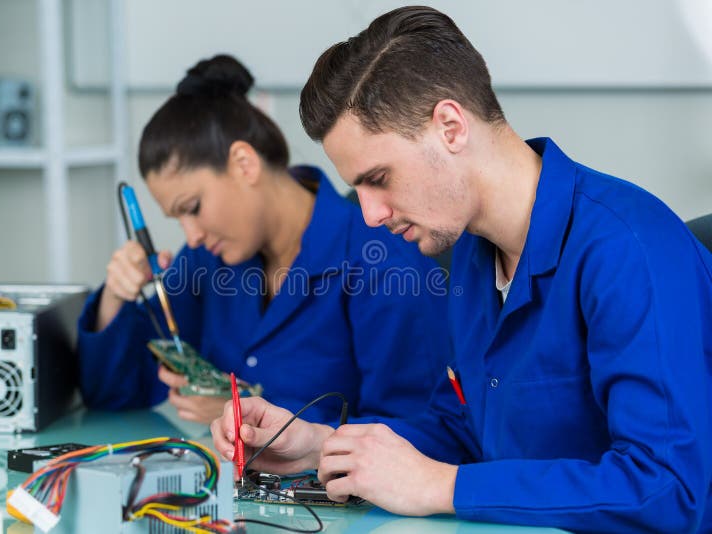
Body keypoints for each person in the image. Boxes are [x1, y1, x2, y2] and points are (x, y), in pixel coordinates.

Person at [210, 7, 712, 532]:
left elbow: (668, 489)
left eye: (378, 177)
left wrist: (441, 487)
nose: (370, 215)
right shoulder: (473, 253)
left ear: (450, 126)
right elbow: (463, 429)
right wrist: (321, 445)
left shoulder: (627, 249)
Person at [76, 55, 450, 426]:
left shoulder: (383, 262)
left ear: (244, 163)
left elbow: (415, 435)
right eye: (178, 218)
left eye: (193, 207)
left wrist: (253, 411)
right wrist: (116, 294)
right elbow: (113, 393)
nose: (191, 236)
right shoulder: (206, 260)